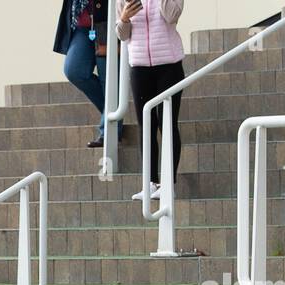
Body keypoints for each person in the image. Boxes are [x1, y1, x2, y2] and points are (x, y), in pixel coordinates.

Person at [118, 0, 186, 200]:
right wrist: (124, 19)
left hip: (169, 65)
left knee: (167, 124)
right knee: (145, 125)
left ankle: (168, 184)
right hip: (139, 67)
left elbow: (172, 15)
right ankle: (150, 183)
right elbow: (122, 34)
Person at [53, 1, 120, 148]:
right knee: (74, 70)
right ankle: (112, 115)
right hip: (82, 25)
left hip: (108, 22)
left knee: (108, 78)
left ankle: (108, 132)